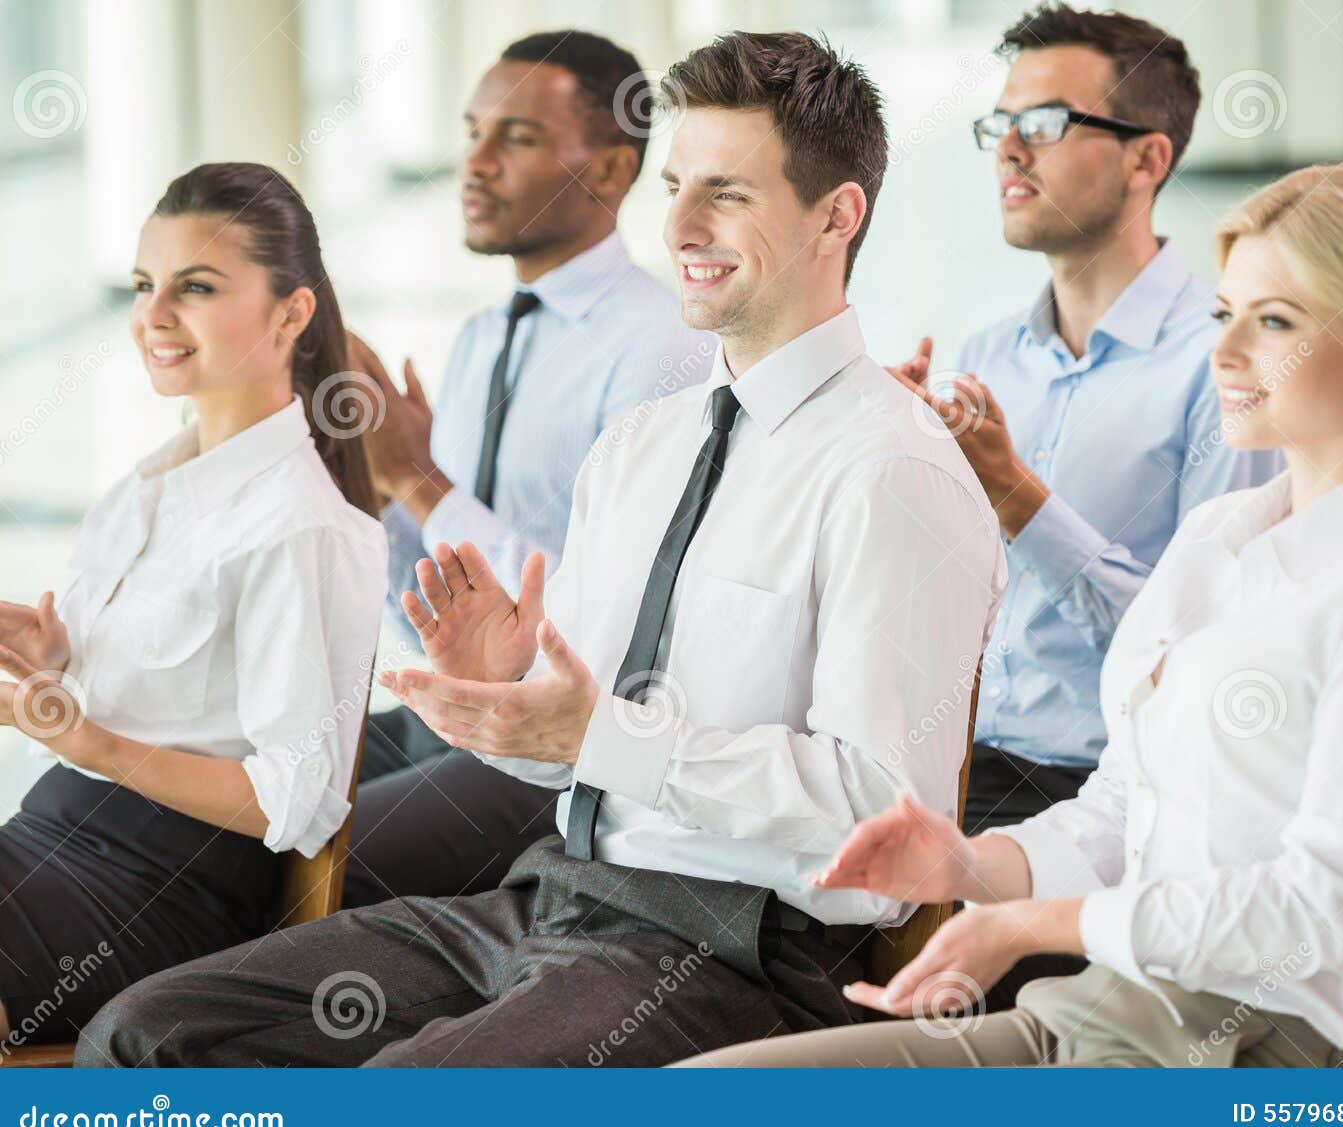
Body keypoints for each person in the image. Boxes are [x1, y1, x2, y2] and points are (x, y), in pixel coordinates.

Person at [78, 31, 1005, 1069]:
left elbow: (888, 831)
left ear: (838, 214)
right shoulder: (642, 447)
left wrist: (603, 735)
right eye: (676, 185)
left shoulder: (896, 472)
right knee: (146, 1035)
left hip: (737, 950)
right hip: (556, 897)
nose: (682, 226)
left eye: (729, 194)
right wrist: (499, 704)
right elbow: (577, 736)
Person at [680, 162, 1343, 1069]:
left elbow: (1320, 916)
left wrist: (1032, 924)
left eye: (1274, 322)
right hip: (1101, 1013)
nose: (1222, 353)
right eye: (1225, 313)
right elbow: (1122, 807)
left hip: (1253, 1049)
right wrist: (964, 867)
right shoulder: (1224, 533)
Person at [0, 162, 386, 1049]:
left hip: (155, 894)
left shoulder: (300, 528)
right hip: (49, 838)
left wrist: (89, 740)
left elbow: (303, 801)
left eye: (196, 288)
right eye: (144, 285)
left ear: (292, 313)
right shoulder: (144, 491)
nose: (153, 317)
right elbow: (164, 700)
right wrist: (54, 662)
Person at [889, 4, 1278, 839]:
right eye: (1001, 121)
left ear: (1147, 157)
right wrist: (879, 452)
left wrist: (1015, 494)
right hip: (952, 769)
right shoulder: (986, 354)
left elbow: (1204, 652)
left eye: (1046, 122)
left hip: (1119, 797)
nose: (1010, 147)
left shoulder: (1226, 369)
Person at [340, 30, 709, 909]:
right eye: (472, 132)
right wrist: (383, 489)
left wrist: (425, 482)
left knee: (313, 857)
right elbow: (432, 610)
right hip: (458, 713)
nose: (475, 162)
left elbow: (599, 620)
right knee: (239, 799)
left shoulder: (661, 349)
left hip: (561, 745)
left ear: (614, 173)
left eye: (517, 138)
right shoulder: (481, 337)